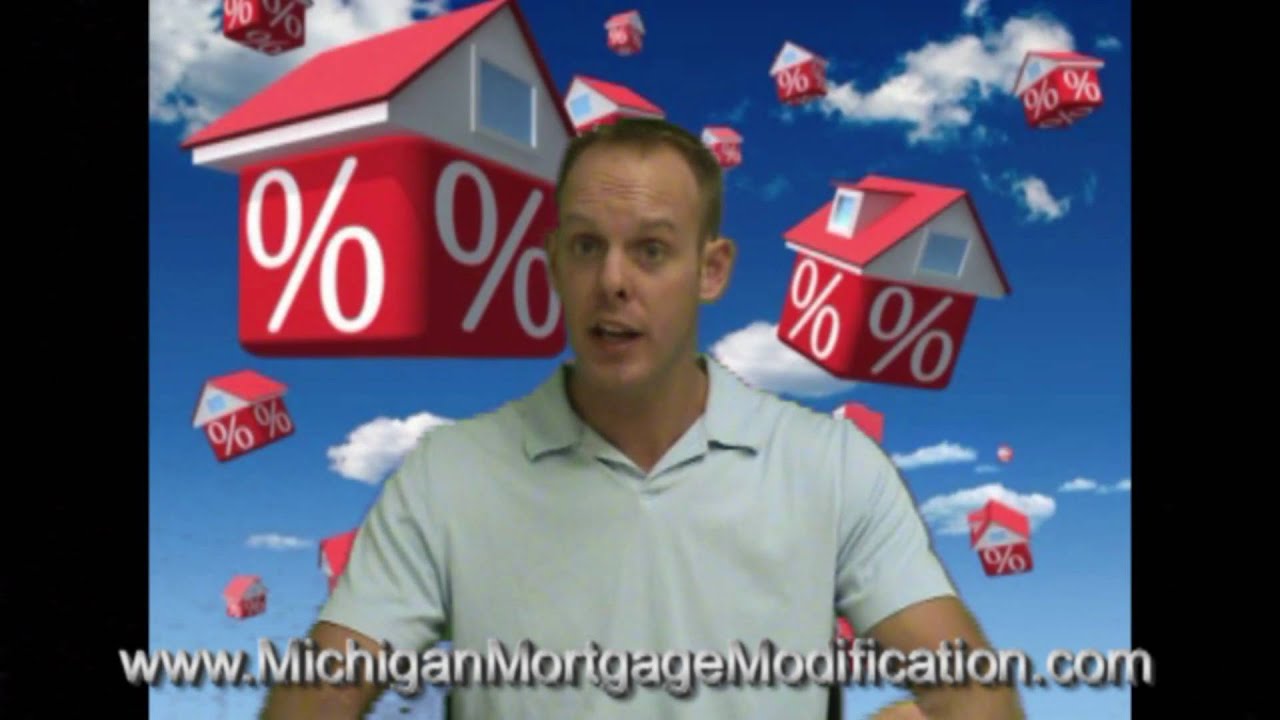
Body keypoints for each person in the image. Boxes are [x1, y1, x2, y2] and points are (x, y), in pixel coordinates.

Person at [259, 118, 1025, 719]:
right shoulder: (449, 476)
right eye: (587, 246)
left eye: (651, 250)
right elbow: (315, 701)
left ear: (711, 270)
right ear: (554, 262)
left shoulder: (832, 468)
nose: (613, 281)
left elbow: (977, 699)